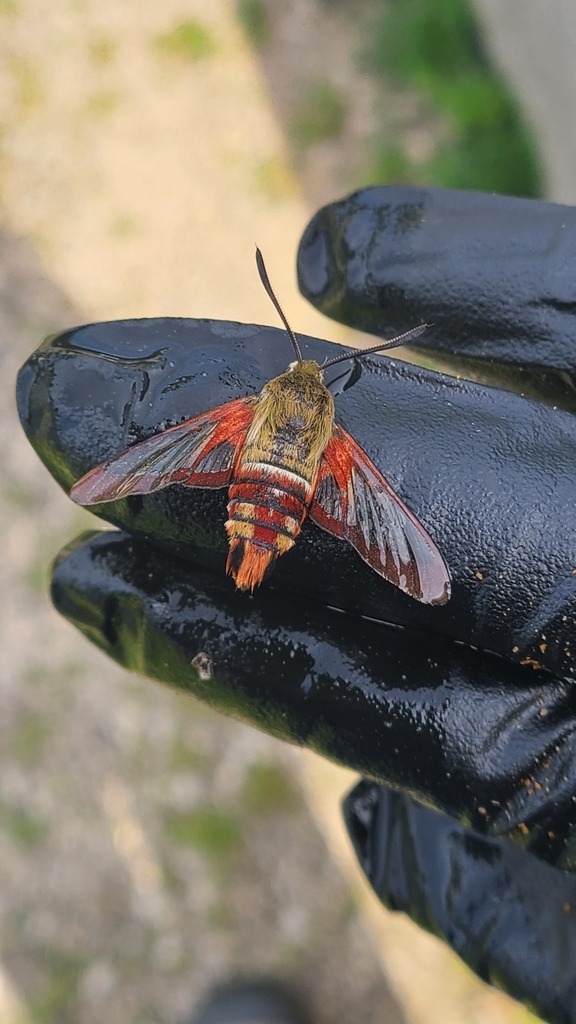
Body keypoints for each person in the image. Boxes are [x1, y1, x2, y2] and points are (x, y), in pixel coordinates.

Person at [18, 185, 576, 1024]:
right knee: (400, 562)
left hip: (253, 503)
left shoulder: (237, 416)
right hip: (284, 512)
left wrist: (188, 455)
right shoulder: (344, 453)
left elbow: (180, 451)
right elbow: (384, 527)